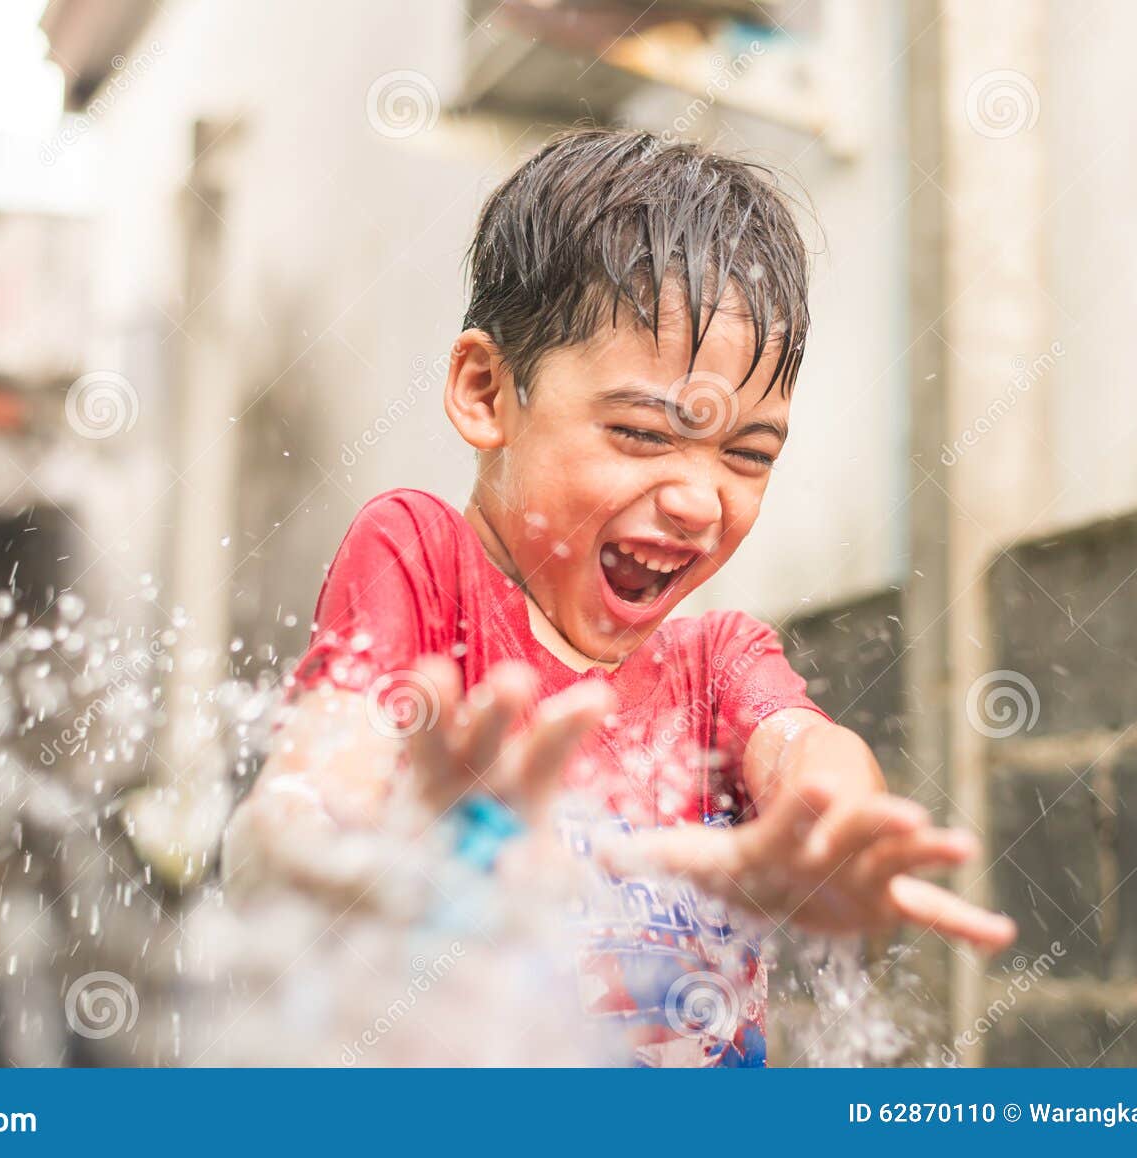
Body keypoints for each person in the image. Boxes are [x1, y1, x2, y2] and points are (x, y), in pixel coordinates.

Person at [223, 127, 1015, 1067]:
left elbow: (810, 755)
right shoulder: (423, 566)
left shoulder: (714, 666)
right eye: (642, 433)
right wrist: (380, 853)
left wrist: (828, 851)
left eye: (749, 454)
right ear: (486, 391)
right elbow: (288, 826)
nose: (696, 499)